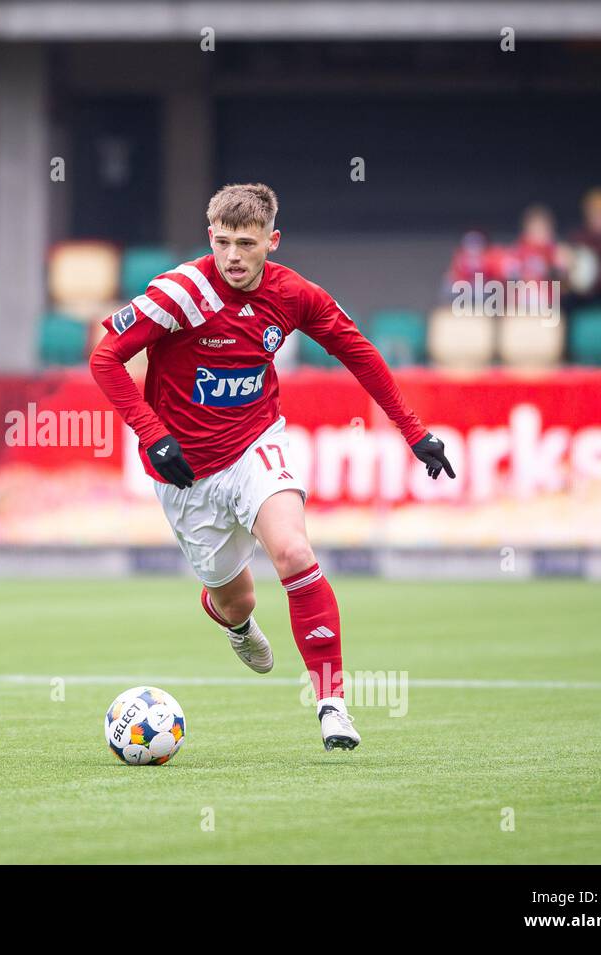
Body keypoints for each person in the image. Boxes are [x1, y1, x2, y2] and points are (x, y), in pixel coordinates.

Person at [90, 183, 454, 752]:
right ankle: (233, 623)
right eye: (223, 242)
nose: (233, 256)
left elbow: (358, 351)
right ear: (210, 237)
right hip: (185, 472)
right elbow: (105, 358)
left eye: (247, 243)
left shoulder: (294, 295)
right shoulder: (181, 292)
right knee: (237, 600)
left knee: (294, 551)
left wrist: (415, 432)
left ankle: (332, 704)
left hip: (256, 443)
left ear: (272, 242)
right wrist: (153, 434)